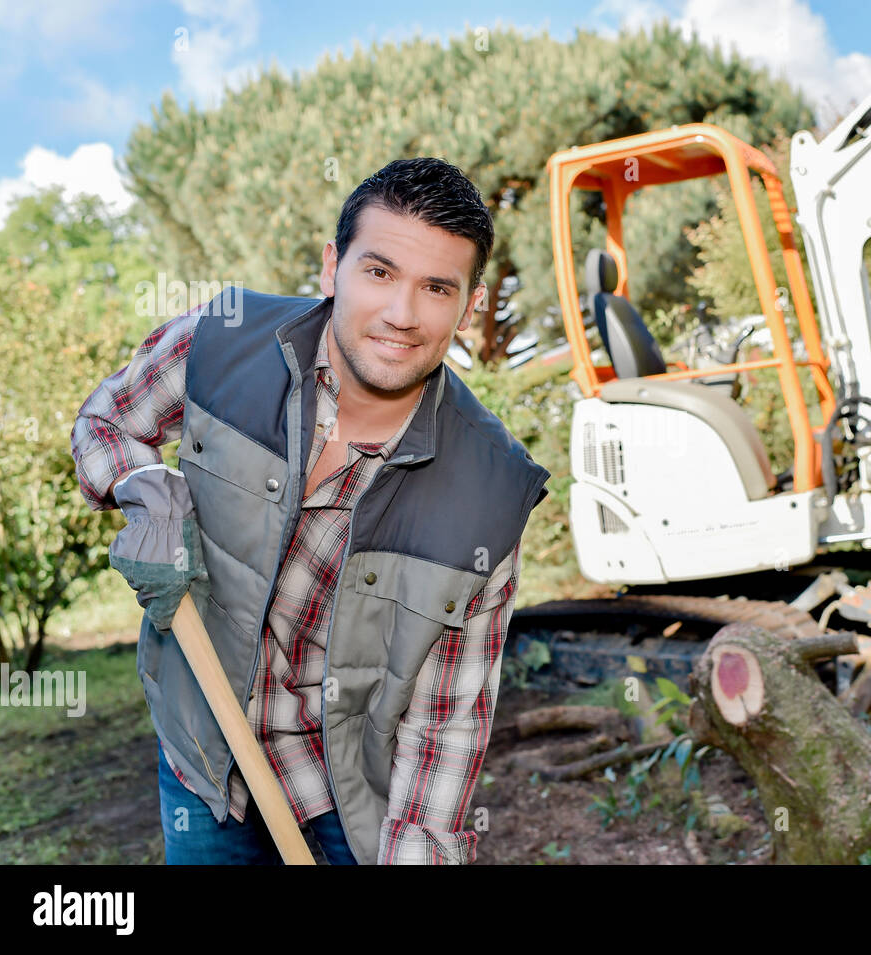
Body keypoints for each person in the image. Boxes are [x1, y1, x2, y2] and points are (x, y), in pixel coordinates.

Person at [70, 158, 550, 865]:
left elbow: (445, 723)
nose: (402, 314)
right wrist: (146, 492)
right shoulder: (222, 342)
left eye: (437, 288)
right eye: (379, 272)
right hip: (204, 747)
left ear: (470, 304)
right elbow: (106, 421)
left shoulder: (491, 494)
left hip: (347, 794)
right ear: (332, 268)